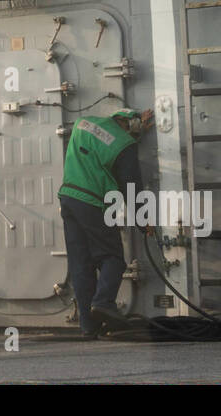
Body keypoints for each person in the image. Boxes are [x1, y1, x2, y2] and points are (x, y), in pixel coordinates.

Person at [57, 108, 154, 338]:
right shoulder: (125, 145)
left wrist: (132, 134)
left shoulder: (83, 124)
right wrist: (143, 222)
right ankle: (103, 302)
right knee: (113, 258)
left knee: (81, 264)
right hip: (93, 202)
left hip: (69, 198)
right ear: (129, 124)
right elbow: (132, 186)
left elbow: (102, 147)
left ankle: (88, 327)